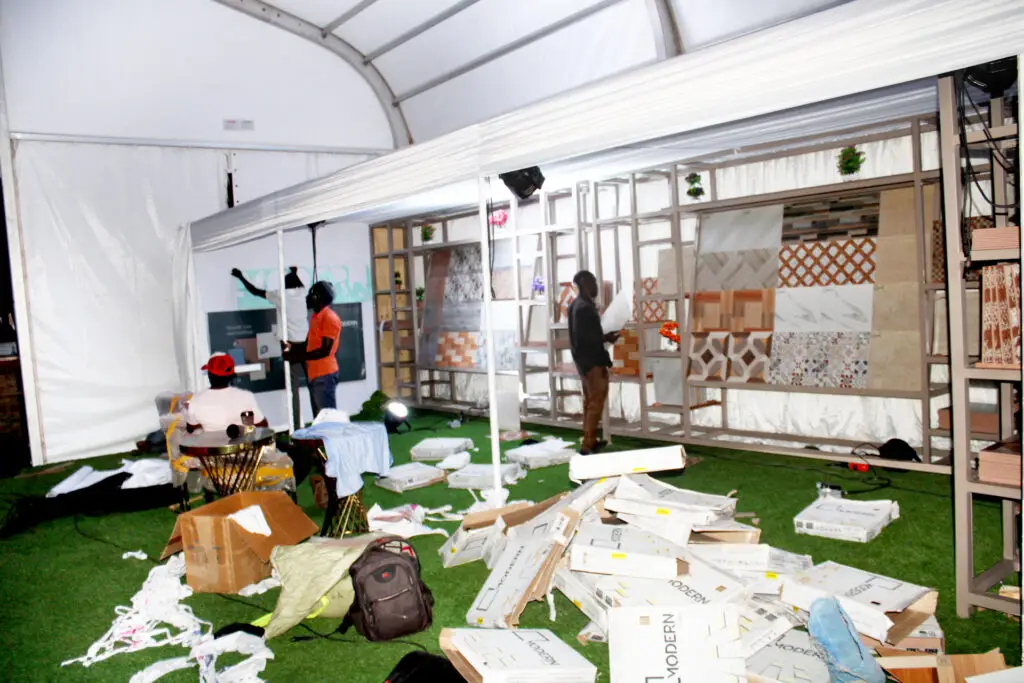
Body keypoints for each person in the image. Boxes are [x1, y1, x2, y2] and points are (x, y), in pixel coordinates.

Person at [232, 266, 308, 429]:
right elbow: (297, 283)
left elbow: (255, 291)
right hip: (306, 345)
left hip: (290, 347)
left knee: (293, 389)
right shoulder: (303, 293)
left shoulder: (281, 296)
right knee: (314, 384)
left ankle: (296, 426)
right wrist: (294, 272)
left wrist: (241, 277)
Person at [567, 270, 620, 455]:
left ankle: (589, 440)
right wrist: (605, 339)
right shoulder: (585, 308)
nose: (596, 286)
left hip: (583, 362)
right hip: (592, 362)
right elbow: (589, 340)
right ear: (584, 284)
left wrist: (604, 337)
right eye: (593, 282)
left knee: (590, 402)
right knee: (595, 402)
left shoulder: (574, 306)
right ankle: (587, 445)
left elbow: (583, 337)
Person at [283, 281, 341, 418]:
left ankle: (328, 440)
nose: (307, 298)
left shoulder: (329, 318)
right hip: (316, 375)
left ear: (317, 298)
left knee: (326, 418)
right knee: (320, 417)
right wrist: (292, 349)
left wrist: (296, 357)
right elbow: (309, 344)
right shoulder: (316, 317)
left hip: (324, 375)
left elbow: (324, 350)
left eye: (311, 295)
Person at [186, 353, 268, 434]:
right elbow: (263, 426)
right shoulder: (246, 396)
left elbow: (190, 427)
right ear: (231, 376)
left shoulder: (196, 399)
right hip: (241, 446)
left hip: (213, 446)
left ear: (209, 375)